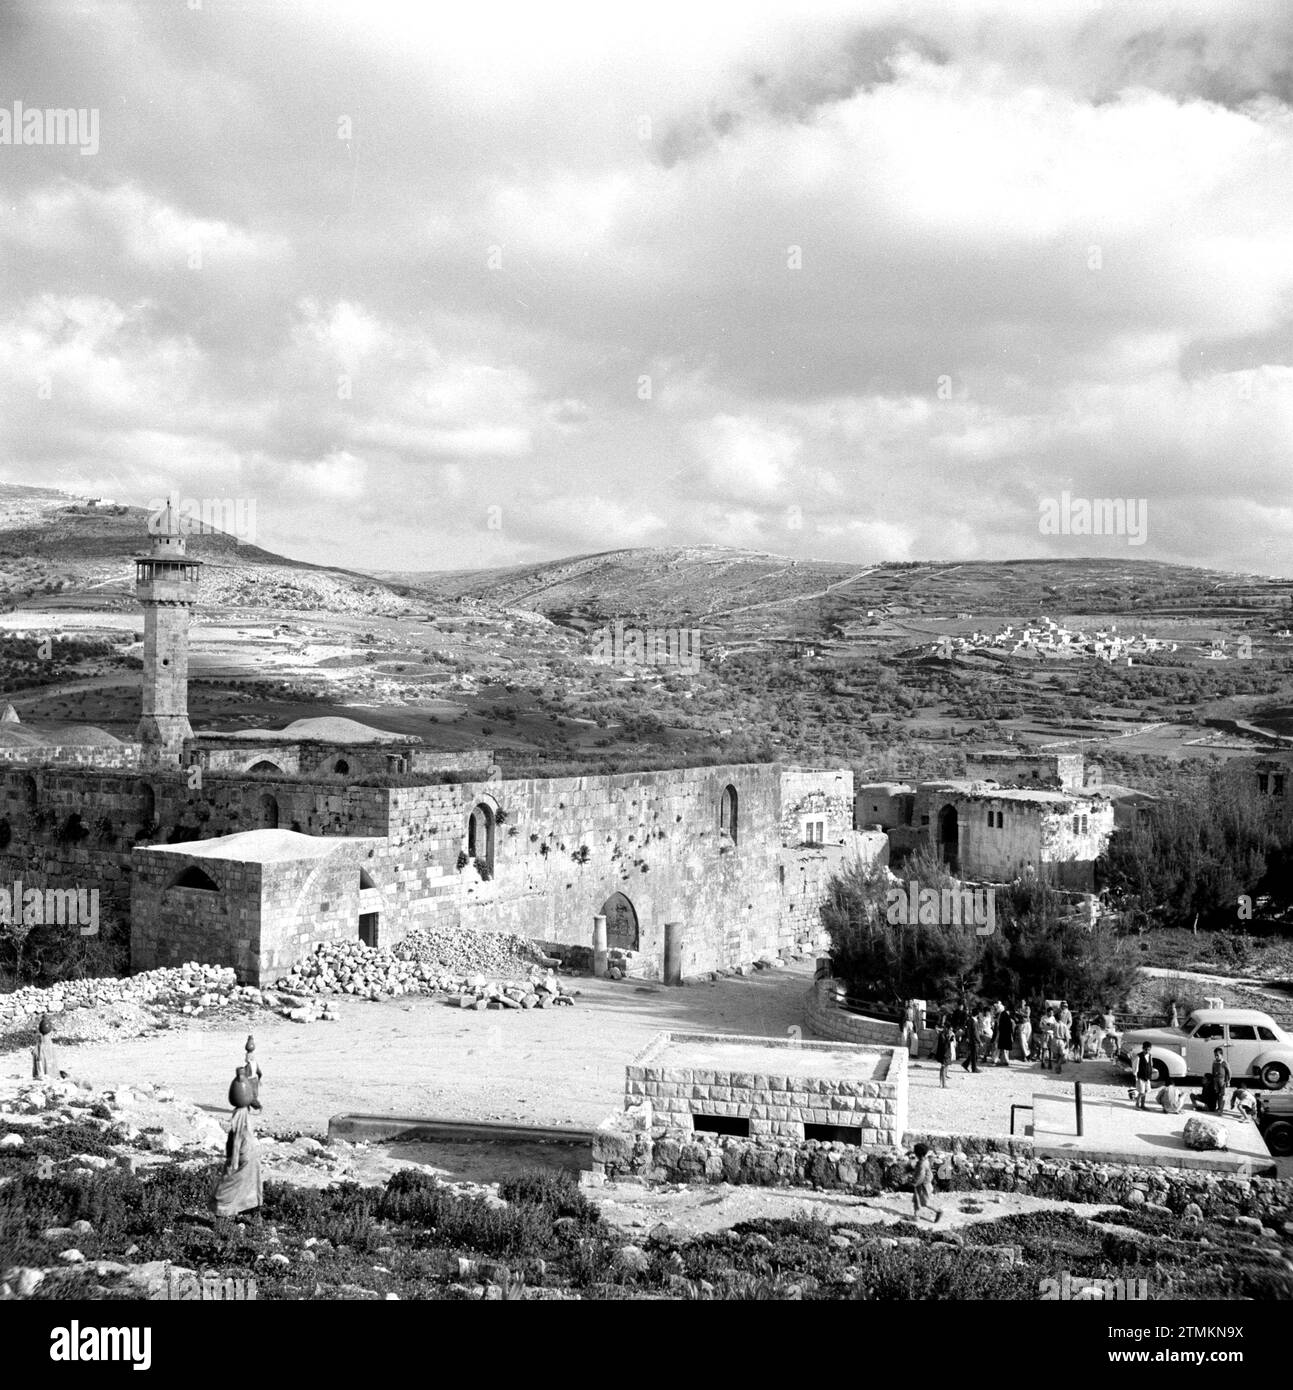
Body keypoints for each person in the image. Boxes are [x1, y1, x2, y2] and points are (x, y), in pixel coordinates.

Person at [212, 1066, 263, 1220]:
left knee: (230, 1184)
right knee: (250, 1182)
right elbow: (251, 1100)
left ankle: (223, 1213)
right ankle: (253, 1213)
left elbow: (232, 1146)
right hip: (250, 1150)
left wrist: (230, 1160)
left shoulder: (238, 1122)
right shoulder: (244, 1117)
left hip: (243, 1150)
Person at [907, 1142, 940, 1222]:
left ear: (918, 1154)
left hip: (923, 1186)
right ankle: (916, 1216)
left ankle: (938, 1211)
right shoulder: (925, 1161)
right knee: (916, 1200)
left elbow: (921, 1176)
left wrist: (914, 1182)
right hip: (922, 1185)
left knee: (925, 1203)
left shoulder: (922, 1164)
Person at [31, 1014, 59, 1080]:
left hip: (42, 1075)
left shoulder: (39, 1046)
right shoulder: (49, 1045)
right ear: (50, 1032)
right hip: (49, 1076)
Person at [1209, 1048, 1231, 1114]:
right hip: (1216, 1081)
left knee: (1221, 1095)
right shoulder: (1214, 1062)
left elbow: (1229, 1072)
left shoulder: (1224, 1063)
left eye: (1217, 1055)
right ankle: (1217, 1107)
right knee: (1216, 1094)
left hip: (1222, 1081)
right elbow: (1213, 1071)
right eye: (1215, 1055)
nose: (1216, 1057)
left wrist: (1228, 1081)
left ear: (1221, 1055)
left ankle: (1221, 1109)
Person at [1133, 1041, 1154, 1109]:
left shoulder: (1150, 1056)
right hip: (1141, 1077)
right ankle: (1137, 1105)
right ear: (1143, 1048)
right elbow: (1135, 1066)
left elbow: (1151, 1065)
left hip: (1147, 1077)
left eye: (1148, 1049)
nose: (1147, 1051)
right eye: (1146, 1049)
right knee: (1141, 1092)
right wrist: (1136, 1076)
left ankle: (1142, 1105)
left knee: (1145, 1092)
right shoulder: (1139, 1056)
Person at [935, 1017, 953, 1089]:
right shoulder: (942, 1034)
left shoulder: (946, 1034)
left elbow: (952, 1042)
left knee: (944, 1068)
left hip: (946, 1053)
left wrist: (951, 1038)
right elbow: (944, 1044)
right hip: (943, 1054)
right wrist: (949, 1038)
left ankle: (941, 1083)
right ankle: (943, 1084)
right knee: (943, 1068)